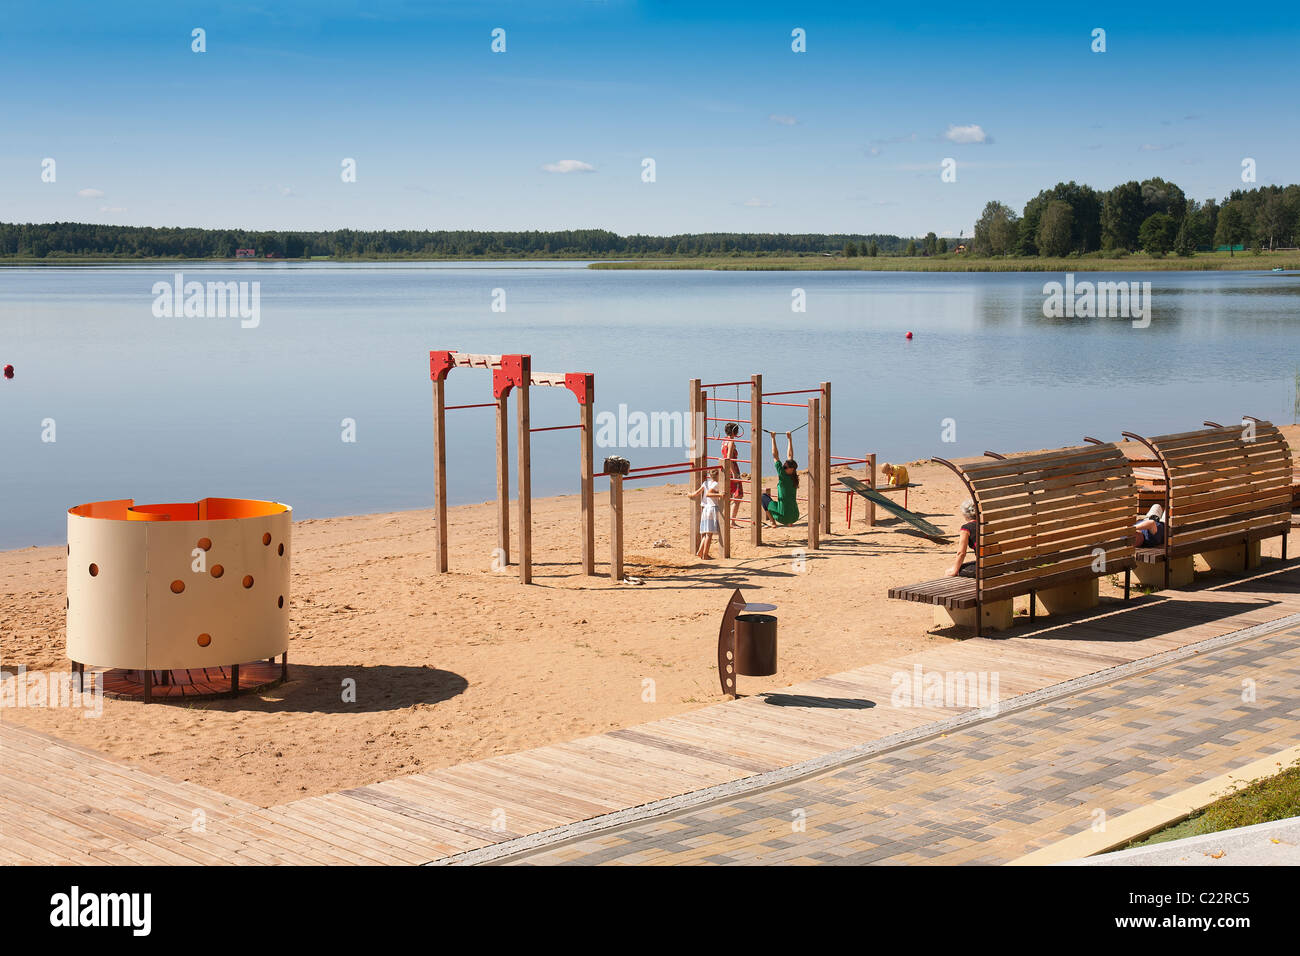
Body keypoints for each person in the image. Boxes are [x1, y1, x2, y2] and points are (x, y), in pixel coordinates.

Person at [760, 430, 800, 528]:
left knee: (763, 497)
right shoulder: (794, 477)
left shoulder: (783, 475)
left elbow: (775, 455)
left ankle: (773, 522)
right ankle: (789, 523)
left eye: (785, 467)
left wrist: (773, 438)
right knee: (781, 503)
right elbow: (790, 456)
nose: (783, 468)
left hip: (783, 517)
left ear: (791, 469)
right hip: (795, 516)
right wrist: (789, 439)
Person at [690, 467, 724, 558]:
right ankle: (705, 554)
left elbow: (697, 493)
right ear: (717, 475)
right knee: (709, 534)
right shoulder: (716, 484)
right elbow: (709, 494)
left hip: (705, 509)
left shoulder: (705, 483)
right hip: (712, 509)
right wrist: (720, 495)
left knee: (705, 533)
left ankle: (700, 552)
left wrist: (690, 495)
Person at [720, 422, 745, 527]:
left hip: (725, 468)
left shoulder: (724, 441)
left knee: (729, 493)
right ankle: (732, 521)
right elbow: (729, 458)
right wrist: (734, 473)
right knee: (738, 494)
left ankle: (726, 518)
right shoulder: (731, 442)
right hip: (732, 468)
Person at [946, 500, 978, 577]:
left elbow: (961, 553)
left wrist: (954, 571)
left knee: (950, 571)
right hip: (997, 563)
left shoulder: (966, 528)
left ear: (965, 515)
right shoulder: (985, 524)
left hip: (984, 567)